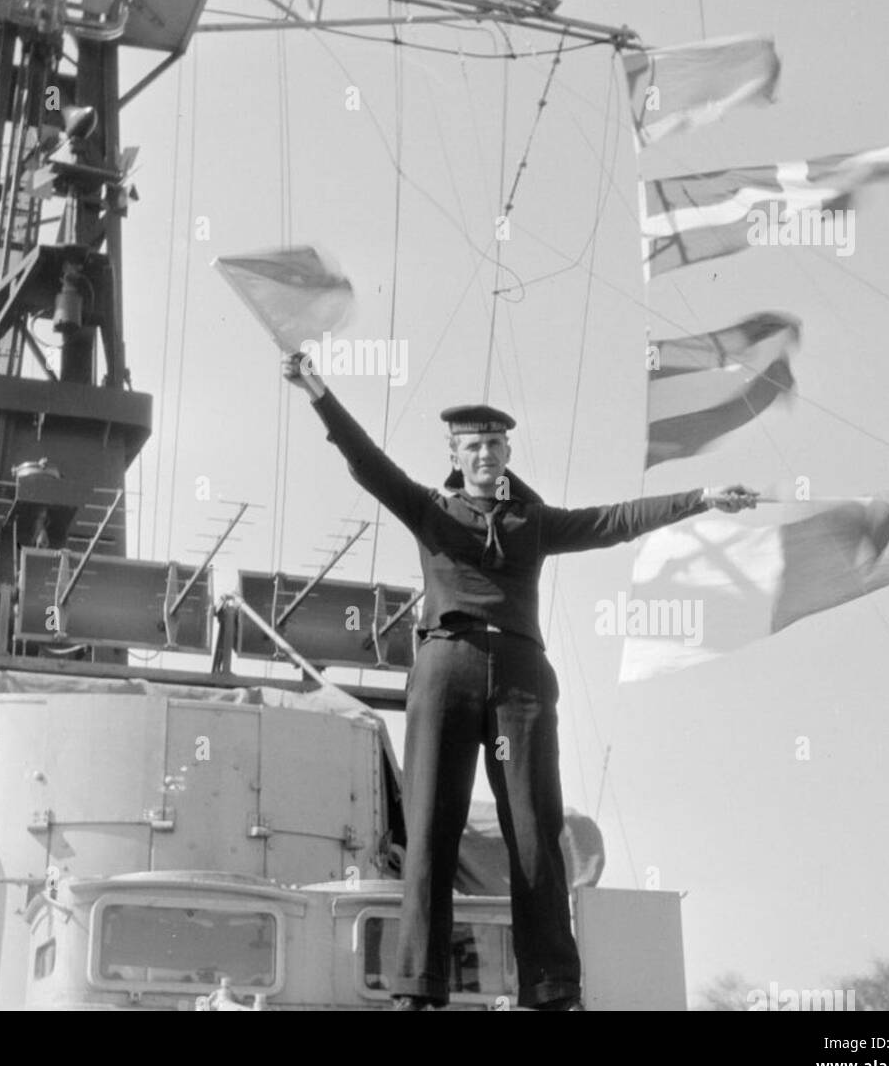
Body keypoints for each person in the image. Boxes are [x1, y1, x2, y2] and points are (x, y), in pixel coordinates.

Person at [284, 351, 758, 1011]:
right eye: (474, 445)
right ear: (456, 451)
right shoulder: (430, 511)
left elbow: (614, 521)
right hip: (446, 668)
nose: (486, 455)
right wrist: (317, 392)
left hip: (520, 677)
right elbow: (367, 463)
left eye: (496, 444)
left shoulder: (531, 525)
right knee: (431, 826)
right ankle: (419, 985)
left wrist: (700, 499)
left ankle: (550, 984)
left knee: (534, 827)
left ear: (507, 452)